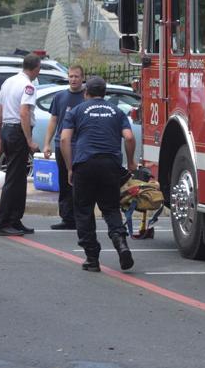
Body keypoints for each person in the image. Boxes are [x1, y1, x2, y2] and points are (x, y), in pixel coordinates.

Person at [60, 76, 136, 272]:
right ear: (105, 94)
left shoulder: (77, 110)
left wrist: (70, 168)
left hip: (84, 164)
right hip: (110, 164)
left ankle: (92, 258)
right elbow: (129, 137)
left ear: (86, 93)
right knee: (110, 208)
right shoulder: (117, 111)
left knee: (84, 210)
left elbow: (64, 140)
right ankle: (121, 243)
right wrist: (131, 162)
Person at [0, 54, 41, 237]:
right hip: (17, 132)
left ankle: (14, 219)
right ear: (36, 68)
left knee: (19, 178)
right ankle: (2, 222)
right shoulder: (28, 86)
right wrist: (29, 139)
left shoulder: (9, 82)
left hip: (7, 129)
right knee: (13, 179)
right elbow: (24, 113)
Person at [42, 65, 86, 230]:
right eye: (71, 76)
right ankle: (67, 218)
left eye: (76, 76)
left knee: (80, 182)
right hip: (62, 145)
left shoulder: (87, 96)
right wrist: (47, 143)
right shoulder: (60, 97)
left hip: (81, 146)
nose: (73, 79)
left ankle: (81, 217)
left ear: (82, 78)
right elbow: (53, 120)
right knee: (64, 182)